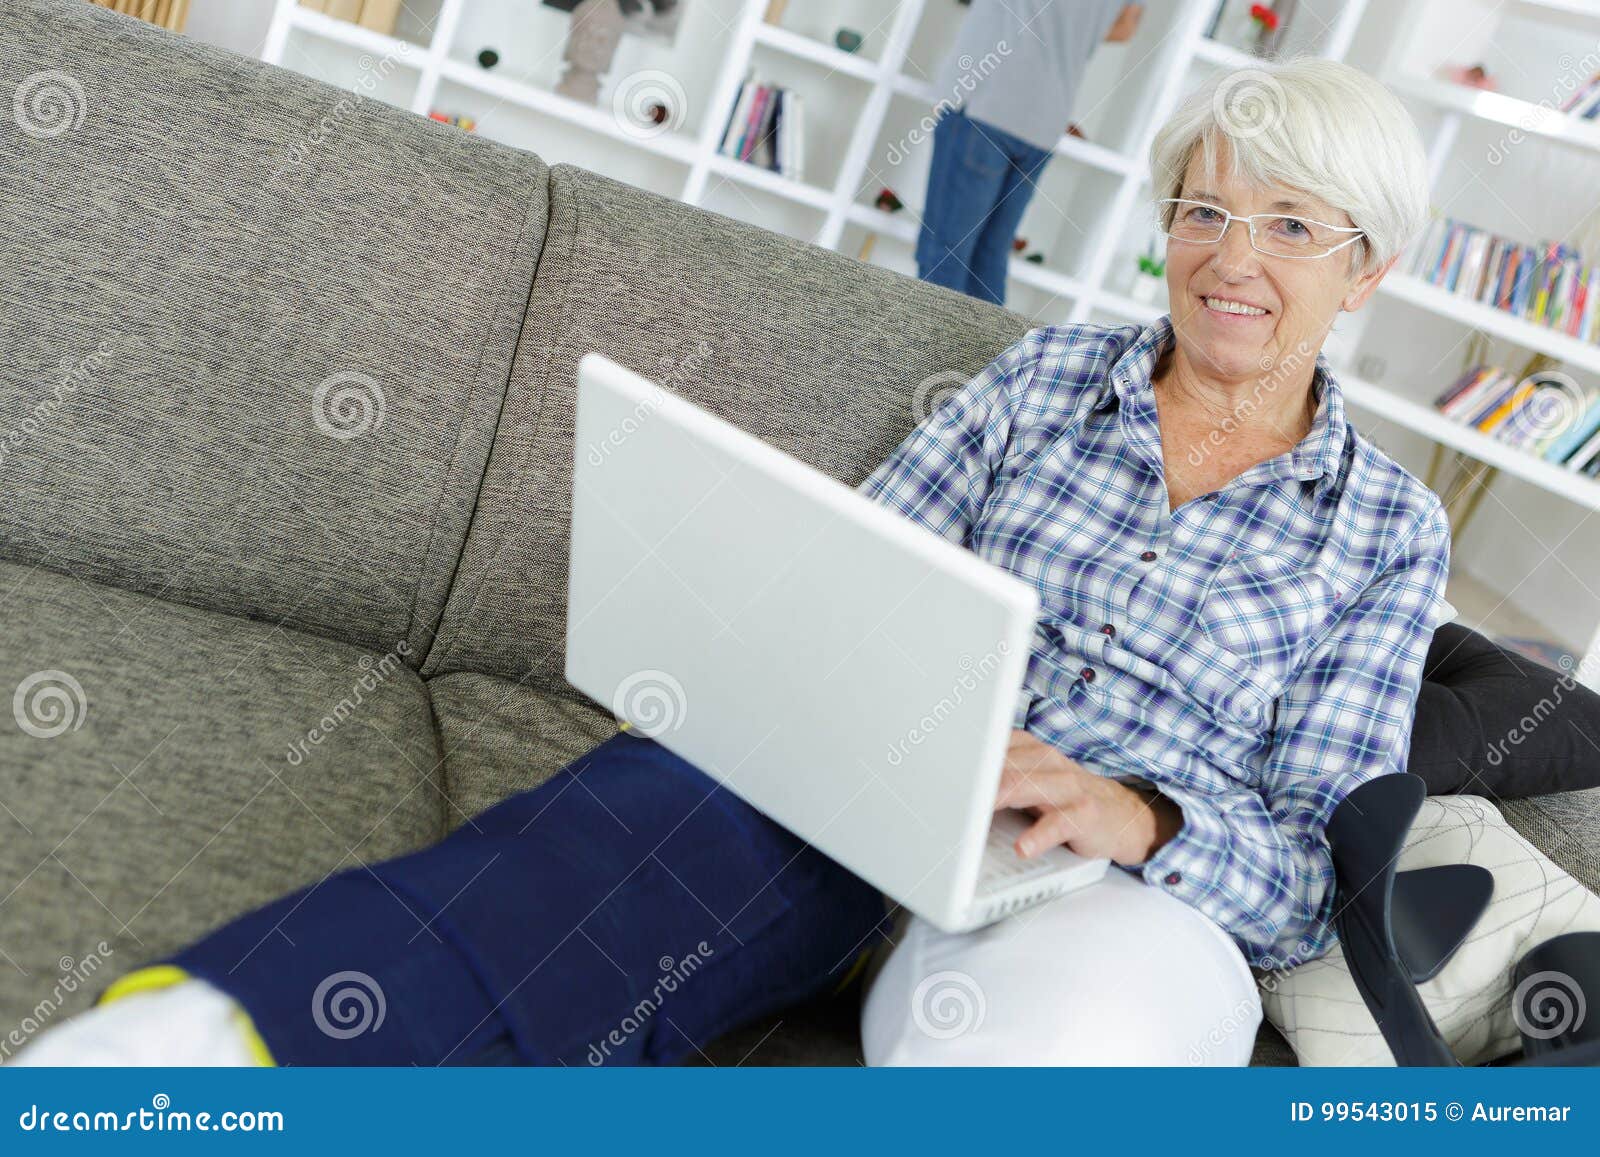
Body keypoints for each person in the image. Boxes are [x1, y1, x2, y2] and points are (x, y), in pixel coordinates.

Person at [13, 59, 1598, 1068]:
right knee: (623, 847)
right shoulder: (1045, 381)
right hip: (888, 788)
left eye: (1291, 226)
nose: (1230, 260)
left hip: (1121, 897)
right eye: (1202, 210)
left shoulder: (1386, 530)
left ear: (1369, 269)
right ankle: (202, 1053)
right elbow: (855, 581)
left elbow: (1315, 869)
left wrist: (1144, 814)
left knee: (1059, 1048)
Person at [916, 0, 1144, 304]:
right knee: (989, 258)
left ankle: (928, 351)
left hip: (988, 105)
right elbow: (1124, 29)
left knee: (944, 255)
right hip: (1044, 125)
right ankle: (992, 352)